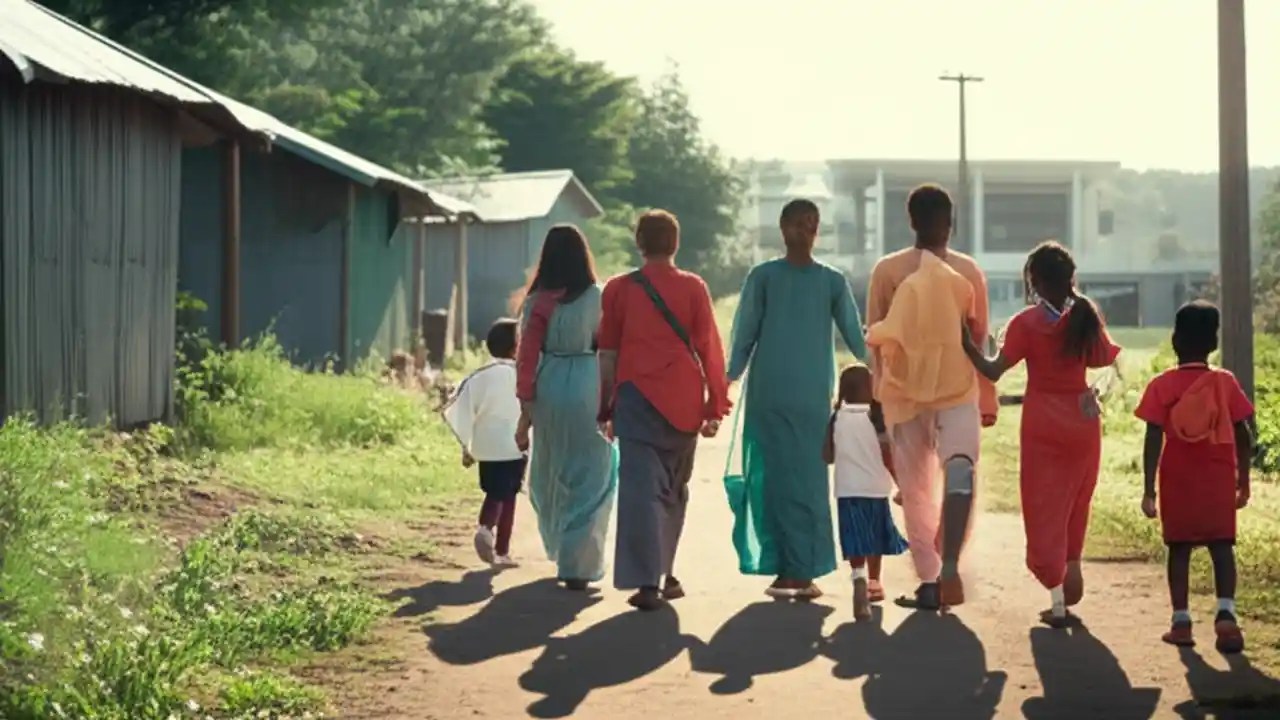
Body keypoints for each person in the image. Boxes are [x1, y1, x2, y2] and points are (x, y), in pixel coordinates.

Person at [960, 240, 1121, 627]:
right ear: (1070, 279)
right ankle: (1072, 563)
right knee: (1076, 499)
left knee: (1044, 503)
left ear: (1034, 280)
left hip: (1044, 421)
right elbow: (1104, 358)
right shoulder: (1085, 313)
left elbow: (995, 370)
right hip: (1083, 421)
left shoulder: (1027, 323)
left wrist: (968, 344)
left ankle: (1057, 594)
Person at [727, 198, 868, 600]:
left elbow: (857, 339)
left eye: (812, 224)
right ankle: (786, 567)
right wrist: (725, 382)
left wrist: (886, 377)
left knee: (806, 483)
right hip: (769, 395)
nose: (806, 230)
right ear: (783, 229)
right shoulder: (763, 277)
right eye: (798, 223)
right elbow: (744, 336)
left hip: (810, 399)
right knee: (770, 481)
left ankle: (802, 571)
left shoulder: (832, 281)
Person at [864, 183, 997, 611]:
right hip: (956, 390)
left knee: (917, 489)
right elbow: (980, 340)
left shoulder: (889, 269)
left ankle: (933, 576)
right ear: (950, 223)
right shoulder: (967, 270)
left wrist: (876, 401)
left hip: (905, 396)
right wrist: (988, 397)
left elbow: (875, 339)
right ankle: (947, 563)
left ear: (911, 222)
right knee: (959, 473)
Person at [598, 209, 732, 611]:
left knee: (641, 490)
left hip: (636, 396)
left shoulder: (619, 289)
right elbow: (709, 348)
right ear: (676, 244)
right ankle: (665, 570)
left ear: (639, 242)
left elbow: (608, 353)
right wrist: (715, 403)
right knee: (673, 490)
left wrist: (604, 406)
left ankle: (649, 580)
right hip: (684, 398)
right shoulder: (694, 287)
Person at [1134, 301, 1253, 653]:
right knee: (1221, 546)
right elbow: (1243, 433)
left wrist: (1148, 489)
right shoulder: (1224, 383)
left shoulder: (1162, 386)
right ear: (1214, 343)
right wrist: (1243, 479)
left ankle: (1182, 621)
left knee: (1179, 548)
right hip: (1217, 476)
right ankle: (1226, 617)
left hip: (1177, 478)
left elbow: (1153, 435)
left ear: (1175, 340)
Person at [514, 225, 618, 592]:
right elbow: (608, 349)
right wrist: (612, 401)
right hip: (590, 383)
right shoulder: (600, 296)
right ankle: (579, 563)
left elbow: (526, 357)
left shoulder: (536, 302)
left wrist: (526, 407)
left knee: (553, 469)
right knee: (594, 474)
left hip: (550, 386)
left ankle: (561, 548)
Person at [822, 364, 909, 620]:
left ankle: (858, 576)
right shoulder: (877, 417)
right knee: (875, 537)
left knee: (855, 537)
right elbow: (887, 456)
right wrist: (900, 485)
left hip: (847, 489)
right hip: (875, 489)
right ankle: (874, 582)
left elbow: (827, 456)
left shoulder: (837, 416)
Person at [441, 319, 526, 569]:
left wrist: (466, 446)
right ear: (516, 347)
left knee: (494, 492)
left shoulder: (480, 376)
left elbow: (459, 408)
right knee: (508, 496)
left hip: (486, 447)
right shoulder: (523, 375)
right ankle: (496, 543)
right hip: (514, 446)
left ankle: (487, 530)